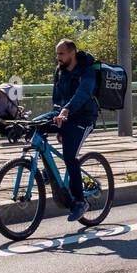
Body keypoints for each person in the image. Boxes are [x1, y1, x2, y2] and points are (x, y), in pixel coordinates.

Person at [38, 39, 99, 221]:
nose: (58, 58)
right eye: (57, 54)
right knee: (35, 125)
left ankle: (80, 201)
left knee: (69, 156)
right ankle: (47, 172)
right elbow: (57, 97)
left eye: (61, 54)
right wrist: (56, 120)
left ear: (72, 53)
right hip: (63, 114)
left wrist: (67, 110)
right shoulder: (59, 71)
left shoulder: (86, 70)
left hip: (83, 117)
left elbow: (84, 92)